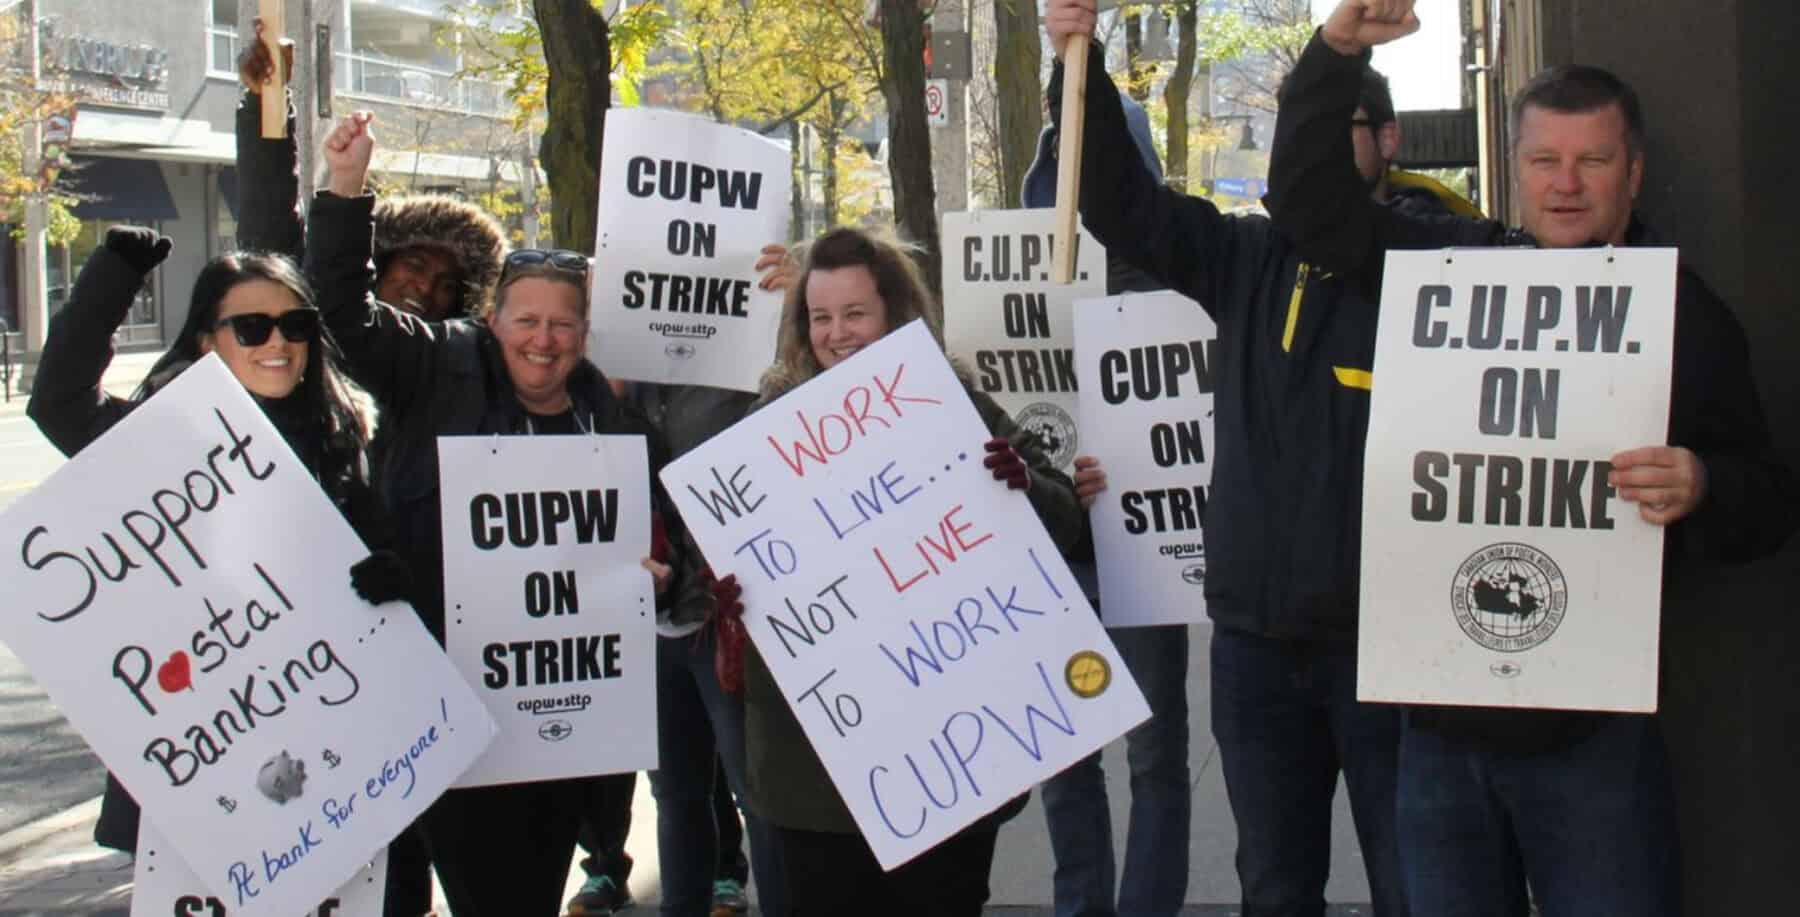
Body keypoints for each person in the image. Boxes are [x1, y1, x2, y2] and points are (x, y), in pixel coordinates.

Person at [1265, 2, 1800, 914]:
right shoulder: (1449, 267)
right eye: (1544, 160)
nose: (1566, 184)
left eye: (1592, 160)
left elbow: (1767, 502)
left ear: (1632, 172)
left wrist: (1704, 483)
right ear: (1512, 168)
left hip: (1592, 737)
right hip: (1434, 730)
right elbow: (1311, 210)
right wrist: (1337, 49)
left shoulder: (1679, 311)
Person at [1041, 1, 1479, 913]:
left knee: (1416, 881)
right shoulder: (1241, 257)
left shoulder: (1435, 264)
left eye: (1330, 129)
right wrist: (1077, 61)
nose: (1304, 153)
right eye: (1295, 135)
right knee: (1273, 886)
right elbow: (1123, 206)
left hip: (1384, 651)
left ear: (1387, 138)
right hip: (1254, 646)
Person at [307, 111, 680, 916]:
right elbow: (338, 312)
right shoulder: (435, 364)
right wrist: (346, 190)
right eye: (527, 322)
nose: (543, 341)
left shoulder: (610, 426)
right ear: (493, 323)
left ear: (585, 335)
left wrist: (651, 572)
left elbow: (662, 553)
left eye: (562, 325)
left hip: (544, 733)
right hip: (423, 697)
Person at [709, 226, 1085, 916]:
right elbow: (724, 569)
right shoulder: (769, 430)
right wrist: (726, 593)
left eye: (855, 313)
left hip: (948, 760)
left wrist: (1023, 481)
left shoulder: (955, 407)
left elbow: (1070, 525)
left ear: (895, 314)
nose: (837, 333)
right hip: (814, 778)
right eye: (821, 317)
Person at [26, 229, 411, 862]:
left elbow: (380, 558)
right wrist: (116, 274)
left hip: (332, 747)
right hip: (205, 751)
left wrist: (393, 577)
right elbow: (61, 405)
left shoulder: (342, 441)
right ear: (208, 342)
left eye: (296, 323)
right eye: (252, 328)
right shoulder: (162, 441)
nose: (278, 342)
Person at [1021, 88, 1193, 917]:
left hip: (1141, 548)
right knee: (1077, 748)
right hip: (1057, 548)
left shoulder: (1178, 278)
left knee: (1143, 750)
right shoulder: (1011, 278)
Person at [614, 246, 795, 917]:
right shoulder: (614, 373)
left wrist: (793, 307)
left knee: (760, 796)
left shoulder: (754, 368)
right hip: (654, 618)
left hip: (735, 614)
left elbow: (806, 391)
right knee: (677, 795)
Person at [236, 20, 506, 322]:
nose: (426, 287)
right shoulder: (318, 319)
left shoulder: (453, 361)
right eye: (416, 265)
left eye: (448, 285)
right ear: (378, 261)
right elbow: (270, 229)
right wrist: (265, 101)